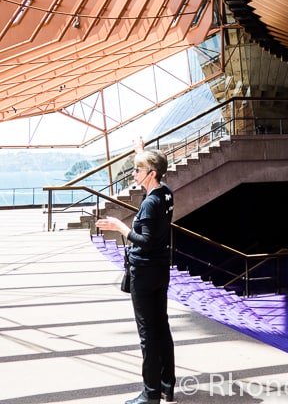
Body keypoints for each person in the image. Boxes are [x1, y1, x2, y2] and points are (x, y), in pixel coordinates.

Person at [96, 149, 175, 404]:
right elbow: (155, 237)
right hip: (160, 269)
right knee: (161, 326)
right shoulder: (165, 194)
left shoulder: (151, 202)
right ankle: (166, 385)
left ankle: (150, 393)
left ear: (151, 174)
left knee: (148, 332)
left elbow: (146, 241)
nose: (134, 173)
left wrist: (120, 227)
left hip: (145, 271)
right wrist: (142, 150)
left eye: (138, 169)